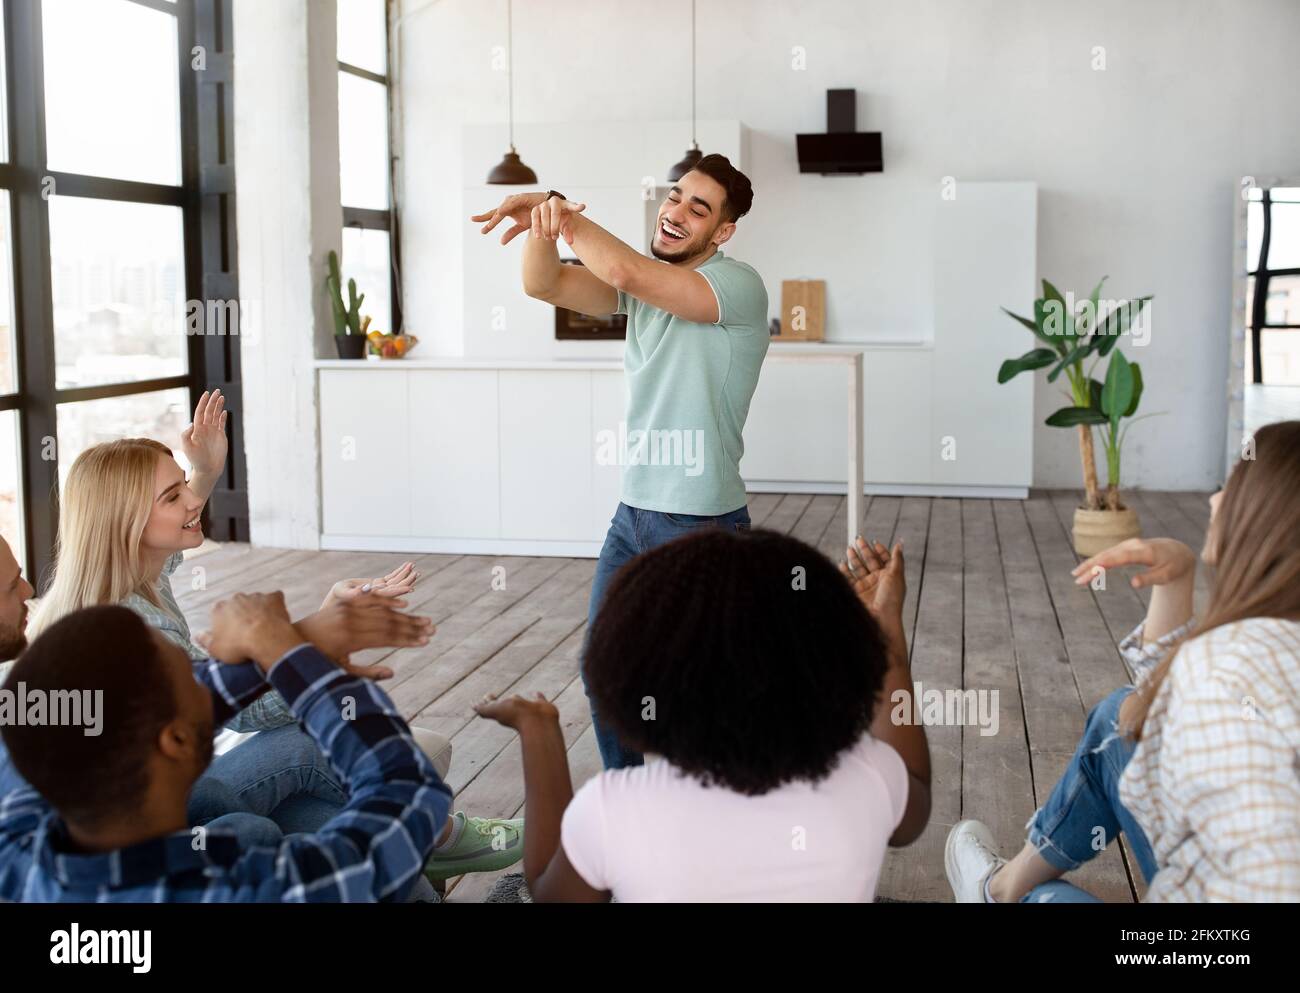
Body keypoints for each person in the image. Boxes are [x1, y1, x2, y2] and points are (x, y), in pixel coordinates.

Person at [21, 392, 525, 880]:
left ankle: (425, 855)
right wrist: (319, 646)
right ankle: (441, 835)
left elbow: (175, 549)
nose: (193, 499)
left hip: (162, 801)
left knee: (354, 837)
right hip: (167, 816)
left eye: (184, 485)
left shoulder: (136, 577)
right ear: (125, 522)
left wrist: (207, 469)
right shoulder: (136, 624)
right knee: (307, 739)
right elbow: (250, 712)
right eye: (173, 495)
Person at [472, 155, 770, 770]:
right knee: (604, 670)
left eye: (699, 208)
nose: (676, 211)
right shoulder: (644, 290)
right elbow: (545, 285)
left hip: (698, 522)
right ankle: (628, 811)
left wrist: (558, 205)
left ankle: (706, 833)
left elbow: (629, 273)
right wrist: (542, 225)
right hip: (633, 515)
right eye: (675, 196)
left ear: (722, 232)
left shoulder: (735, 285)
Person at [947, 420, 1300, 902]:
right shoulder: (1258, 654)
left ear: (1269, 519)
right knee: (1119, 716)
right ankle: (1002, 888)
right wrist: (1177, 580)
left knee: (1051, 901)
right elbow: (1152, 716)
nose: (1216, 501)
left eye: (1233, 486)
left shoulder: (1229, 665)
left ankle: (1006, 892)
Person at [474, 529, 931, 902]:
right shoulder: (871, 777)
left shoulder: (616, 808)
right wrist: (886, 624)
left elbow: (549, 894)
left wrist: (539, 732)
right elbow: (914, 789)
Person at [0, 594, 449, 901]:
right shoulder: (247, 892)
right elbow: (405, 797)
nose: (203, 683)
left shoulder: (17, 851)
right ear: (173, 739)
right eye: (189, 674)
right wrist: (297, 663)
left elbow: (132, 717)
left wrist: (288, 644)